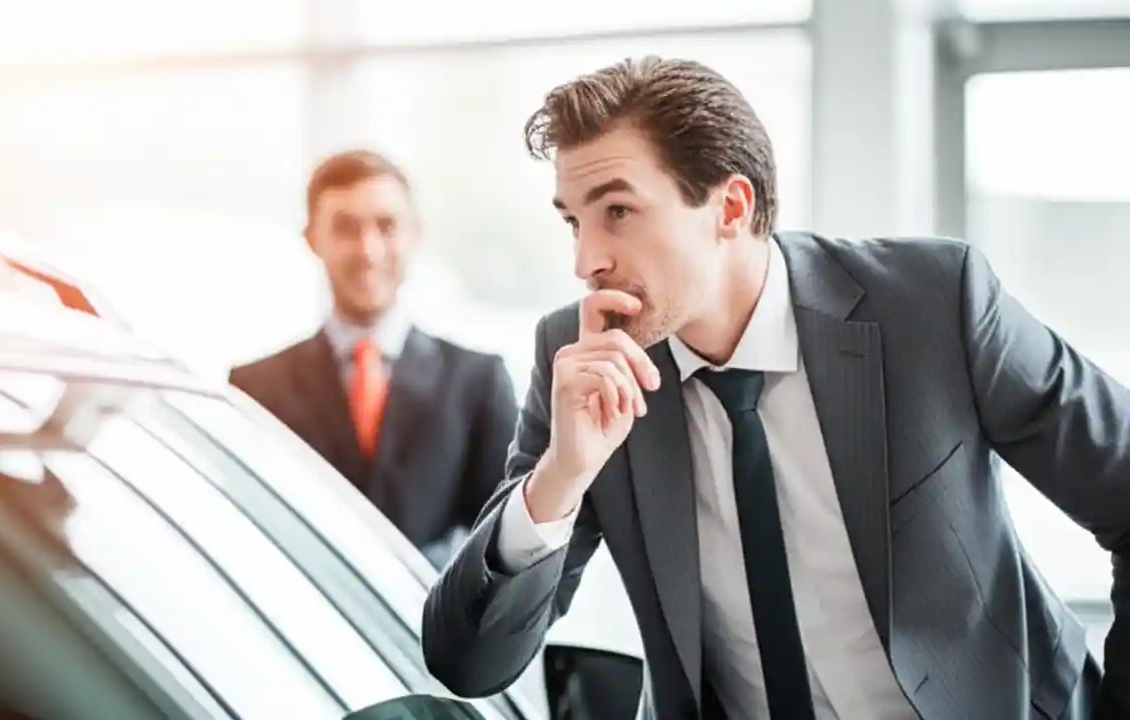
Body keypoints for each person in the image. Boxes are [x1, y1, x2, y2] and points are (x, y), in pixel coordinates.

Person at [422, 56, 1127, 719]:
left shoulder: (934, 304)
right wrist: (561, 478)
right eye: (573, 221)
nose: (586, 260)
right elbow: (467, 664)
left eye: (618, 212)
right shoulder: (578, 358)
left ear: (730, 207)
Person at [230, 150, 519, 567]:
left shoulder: (478, 382)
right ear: (312, 239)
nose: (368, 249)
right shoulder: (253, 390)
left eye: (386, 226)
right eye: (346, 228)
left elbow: (501, 540)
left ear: (415, 234)